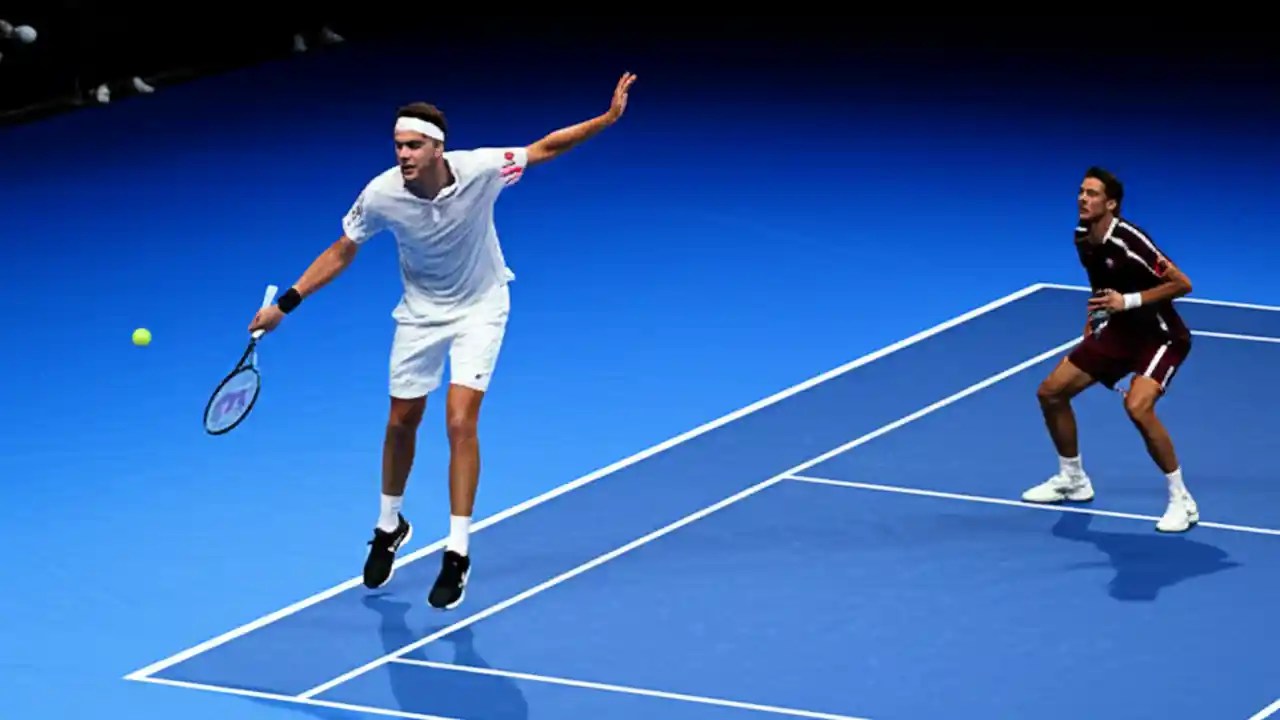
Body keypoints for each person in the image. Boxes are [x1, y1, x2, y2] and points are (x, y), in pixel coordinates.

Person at [248, 71, 638, 609]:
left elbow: (545, 147)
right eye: (398, 145)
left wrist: (608, 118)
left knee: (459, 421)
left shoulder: (481, 168)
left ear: (437, 148)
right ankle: (389, 525)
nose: (403, 154)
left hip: (482, 306)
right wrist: (284, 305)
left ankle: (457, 553)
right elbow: (343, 248)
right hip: (420, 315)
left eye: (413, 145)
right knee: (401, 421)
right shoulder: (381, 194)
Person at [1022, 166, 1198, 532]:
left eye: (1092, 194)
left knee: (1137, 406)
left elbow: (1182, 283)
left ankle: (1182, 500)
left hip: (1161, 336)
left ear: (1112, 204)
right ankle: (1073, 479)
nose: (1082, 198)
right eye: (1081, 192)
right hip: (1119, 332)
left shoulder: (1130, 240)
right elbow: (1100, 284)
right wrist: (1095, 322)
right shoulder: (1083, 237)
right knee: (1051, 393)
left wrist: (1128, 301)